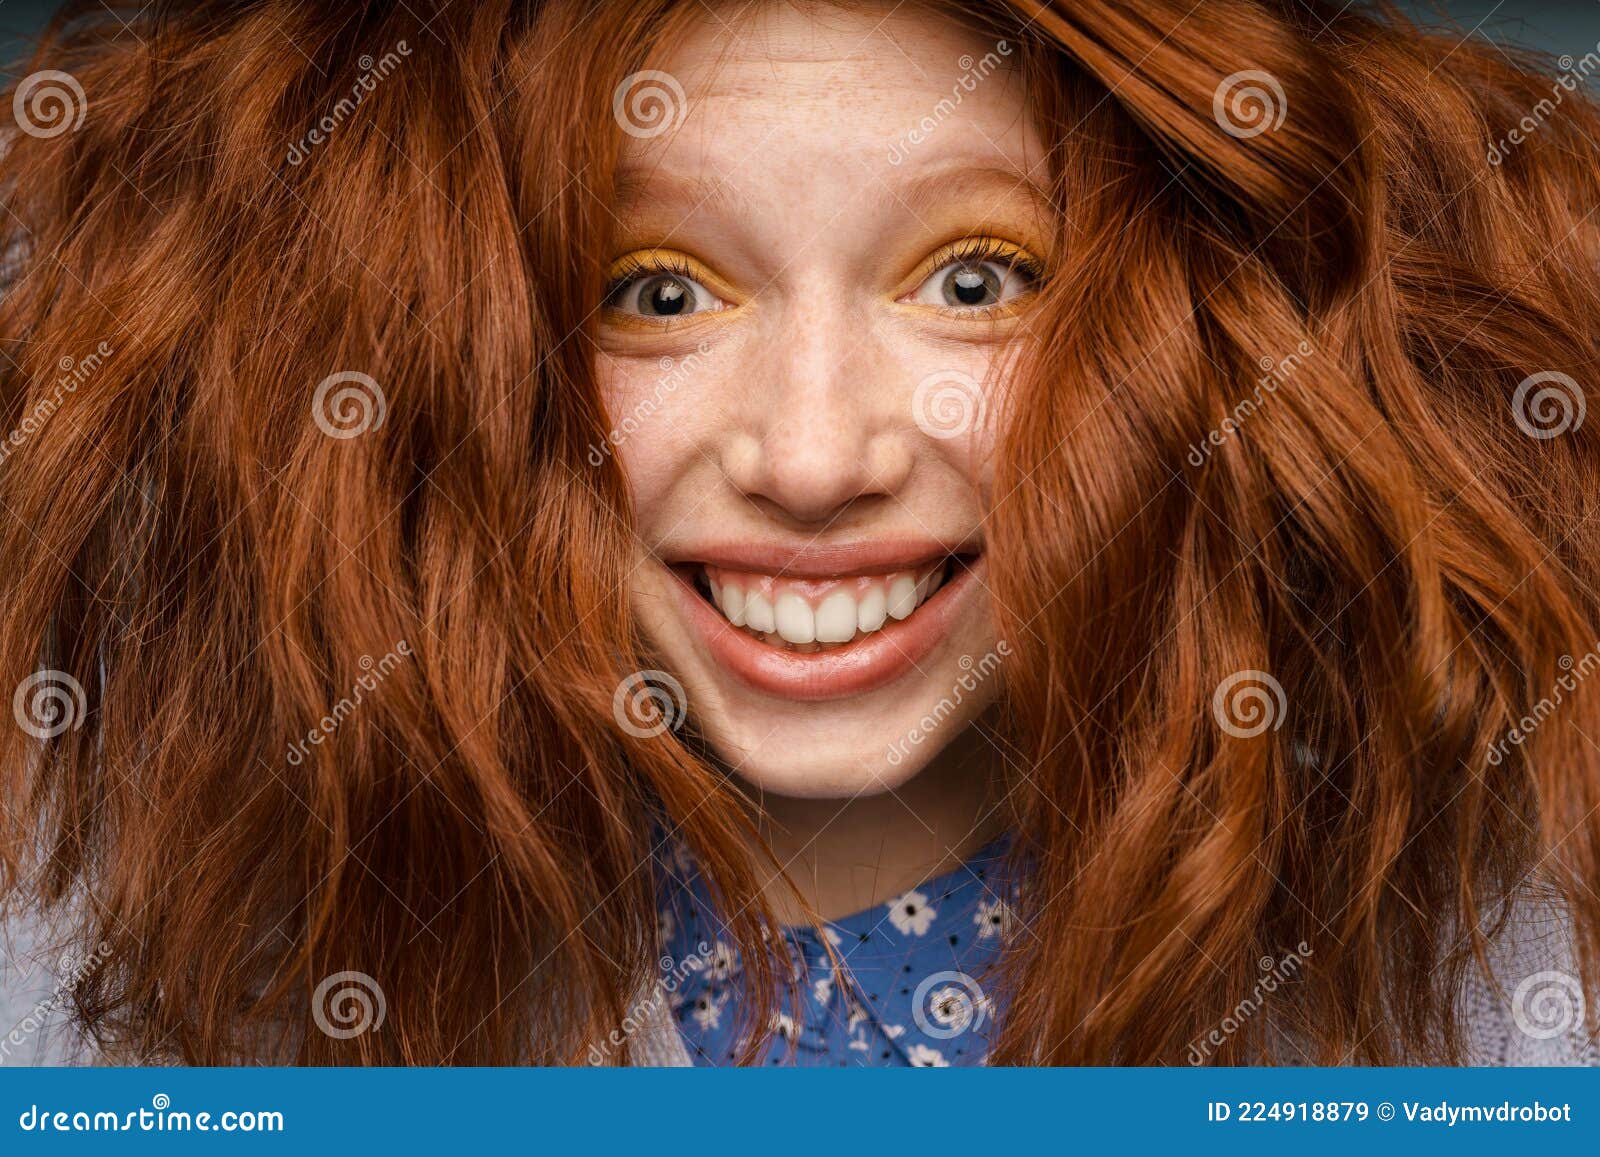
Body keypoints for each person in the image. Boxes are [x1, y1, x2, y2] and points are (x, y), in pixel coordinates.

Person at [1, 0, 1597, 1067]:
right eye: (657, 291)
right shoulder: (139, 940)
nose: (817, 455)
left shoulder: (1508, 958)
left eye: (976, 281)